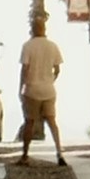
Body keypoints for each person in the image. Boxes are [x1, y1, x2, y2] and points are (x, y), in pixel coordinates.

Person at [17, 25, 65, 160]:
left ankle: (25, 155)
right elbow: (57, 69)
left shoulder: (27, 46)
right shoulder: (53, 46)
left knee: (29, 122)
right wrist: (50, 80)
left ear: (32, 30)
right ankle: (59, 152)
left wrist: (22, 87)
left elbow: (25, 69)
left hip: (32, 89)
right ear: (45, 30)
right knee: (52, 121)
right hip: (48, 90)